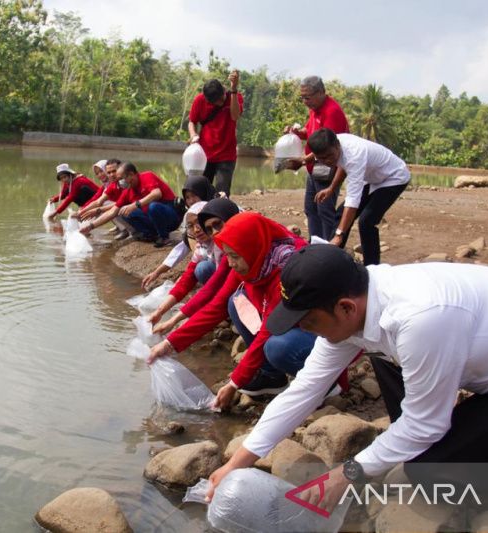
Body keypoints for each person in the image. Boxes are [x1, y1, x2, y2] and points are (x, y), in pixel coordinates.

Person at [207, 244, 488, 510]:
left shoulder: (420, 317)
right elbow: (305, 389)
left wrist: (346, 476)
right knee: (389, 365)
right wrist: (237, 465)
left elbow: (425, 426)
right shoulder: (359, 303)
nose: (303, 330)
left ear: (345, 307)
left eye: (307, 322)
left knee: (430, 473)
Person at [149, 212, 315, 408]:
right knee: (234, 302)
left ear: (252, 247)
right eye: (227, 255)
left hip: (316, 333)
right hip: (281, 321)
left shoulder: (285, 270)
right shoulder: (254, 262)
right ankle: (272, 376)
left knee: (277, 346)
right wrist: (170, 343)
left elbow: (267, 331)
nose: (229, 262)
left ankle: (326, 383)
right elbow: (215, 306)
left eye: (234, 256)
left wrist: (235, 383)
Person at [309, 128, 410, 265]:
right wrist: (331, 188)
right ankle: (332, 258)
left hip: (394, 177)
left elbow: (352, 201)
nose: (326, 161)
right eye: (321, 159)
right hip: (374, 177)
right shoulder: (332, 145)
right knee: (340, 214)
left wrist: (339, 234)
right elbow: (342, 164)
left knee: (367, 221)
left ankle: (372, 267)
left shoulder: (354, 154)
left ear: (337, 145)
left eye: (329, 156)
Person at [151, 197, 241, 335]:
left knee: (229, 299)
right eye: (190, 226)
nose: (196, 230)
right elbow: (186, 280)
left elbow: (214, 284)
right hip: (225, 275)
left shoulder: (224, 245)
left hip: (238, 279)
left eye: (199, 223)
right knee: (200, 269)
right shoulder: (201, 246)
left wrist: (174, 321)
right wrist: (160, 311)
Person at [284, 76, 350, 240]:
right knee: (311, 208)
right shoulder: (315, 109)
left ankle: (328, 245)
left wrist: (303, 160)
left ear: (321, 92)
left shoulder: (331, 111)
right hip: (314, 168)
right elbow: (310, 131)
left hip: (327, 167)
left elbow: (327, 147)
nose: (305, 101)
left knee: (325, 210)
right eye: (302, 98)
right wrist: (296, 133)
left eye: (308, 97)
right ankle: (315, 243)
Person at [141, 175, 219, 289]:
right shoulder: (193, 220)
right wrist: (157, 272)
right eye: (187, 197)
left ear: (204, 193)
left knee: (202, 269)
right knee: (195, 271)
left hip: (230, 261)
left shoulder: (219, 214)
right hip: (212, 257)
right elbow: (181, 249)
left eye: (195, 195)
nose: (191, 201)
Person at [80, 162, 180, 248]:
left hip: (171, 216)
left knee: (153, 206)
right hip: (153, 219)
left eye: (121, 179)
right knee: (123, 211)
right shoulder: (128, 190)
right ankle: (150, 235)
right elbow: (113, 211)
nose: (119, 182)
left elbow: (157, 194)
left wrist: (135, 204)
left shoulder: (147, 176)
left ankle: (164, 238)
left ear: (131, 174)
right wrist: (91, 226)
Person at [188, 71, 244, 198]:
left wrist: (234, 89)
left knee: (222, 195)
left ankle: (220, 216)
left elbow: (235, 116)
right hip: (204, 156)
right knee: (199, 193)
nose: (220, 102)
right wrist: (193, 135)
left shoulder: (235, 97)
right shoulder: (200, 100)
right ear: (207, 99)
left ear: (224, 90)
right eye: (216, 102)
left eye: (221, 98)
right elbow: (192, 122)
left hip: (226, 155)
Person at [77, 159, 128, 237]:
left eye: (114, 171)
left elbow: (124, 202)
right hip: (120, 207)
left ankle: (126, 229)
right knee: (104, 205)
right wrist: (82, 211)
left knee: (106, 205)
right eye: (109, 172)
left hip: (132, 209)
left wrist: (98, 210)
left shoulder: (125, 182)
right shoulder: (110, 185)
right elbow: (97, 200)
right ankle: (120, 227)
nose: (111, 174)